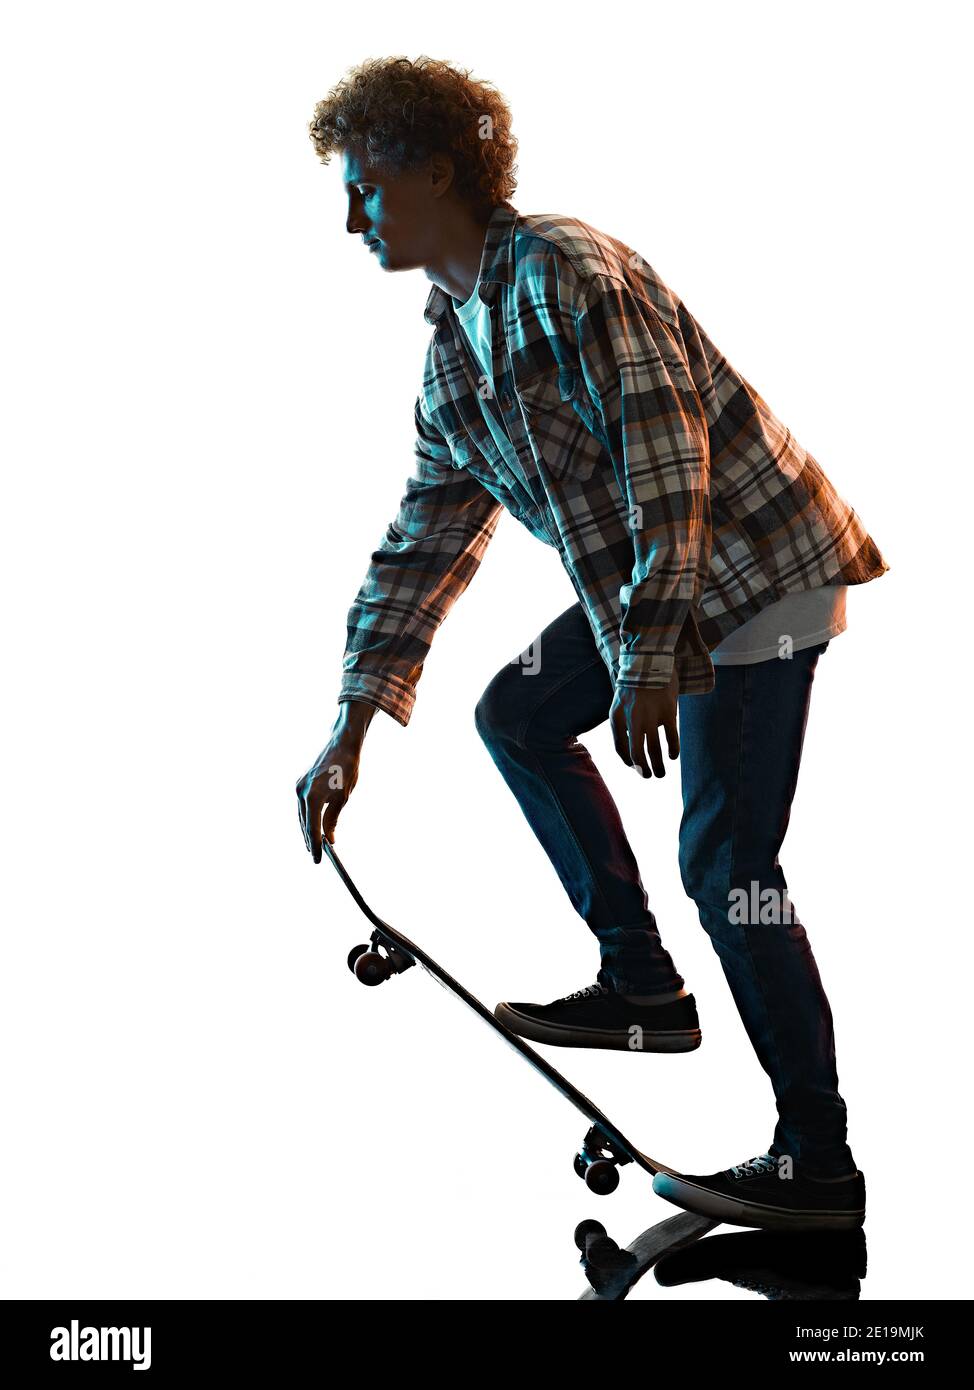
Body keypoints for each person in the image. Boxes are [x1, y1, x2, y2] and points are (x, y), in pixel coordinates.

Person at [296, 56, 889, 1233]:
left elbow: (664, 460)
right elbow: (419, 549)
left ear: (433, 169)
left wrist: (647, 650)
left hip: (754, 573)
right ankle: (641, 986)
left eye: (364, 187)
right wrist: (348, 727)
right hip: (661, 595)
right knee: (513, 712)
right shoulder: (452, 361)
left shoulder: (564, 269)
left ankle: (815, 1161)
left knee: (729, 869)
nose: (347, 216)